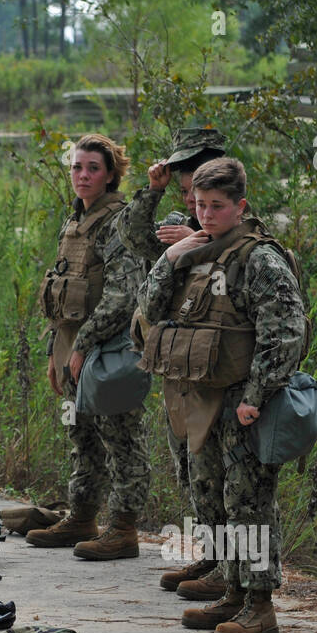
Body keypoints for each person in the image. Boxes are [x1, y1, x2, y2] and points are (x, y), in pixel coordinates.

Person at [139, 157, 305, 633]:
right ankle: (233, 589)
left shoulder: (259, 258)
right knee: (213, 496)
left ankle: (260, 605)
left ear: (240, 206)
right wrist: (171, 258)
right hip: (202, 396)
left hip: (241, 400)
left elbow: (285, 333)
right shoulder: (197, 250)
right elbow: (148, 309)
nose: (206, 215)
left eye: (216, 206)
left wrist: (256, 396)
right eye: (199, 205)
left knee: (249, 503)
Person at [113, 129, 229, 593]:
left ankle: (233, 572)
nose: (194, 205)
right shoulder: (184, 220)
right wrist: (153, 193)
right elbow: (133, 237)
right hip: (181, 365)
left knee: (226, 477)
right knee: (192, 470)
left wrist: (199, 243)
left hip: (218, 369)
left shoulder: (237, 222)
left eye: (197, 192)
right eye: (184, 193)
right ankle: (211, 557)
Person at [26, 134, 152, 559]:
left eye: (93, 169)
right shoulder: (75, 219)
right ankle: (81, 516)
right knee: (80, 434)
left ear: (111, 174)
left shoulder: (117, 220)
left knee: (121, 439)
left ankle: (123, 528)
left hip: (109, 346)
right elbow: (61, 290)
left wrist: (83, 345)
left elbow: (123, 294)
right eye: (78, 167)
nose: (83, 176)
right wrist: (55, 354)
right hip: (72, 342)